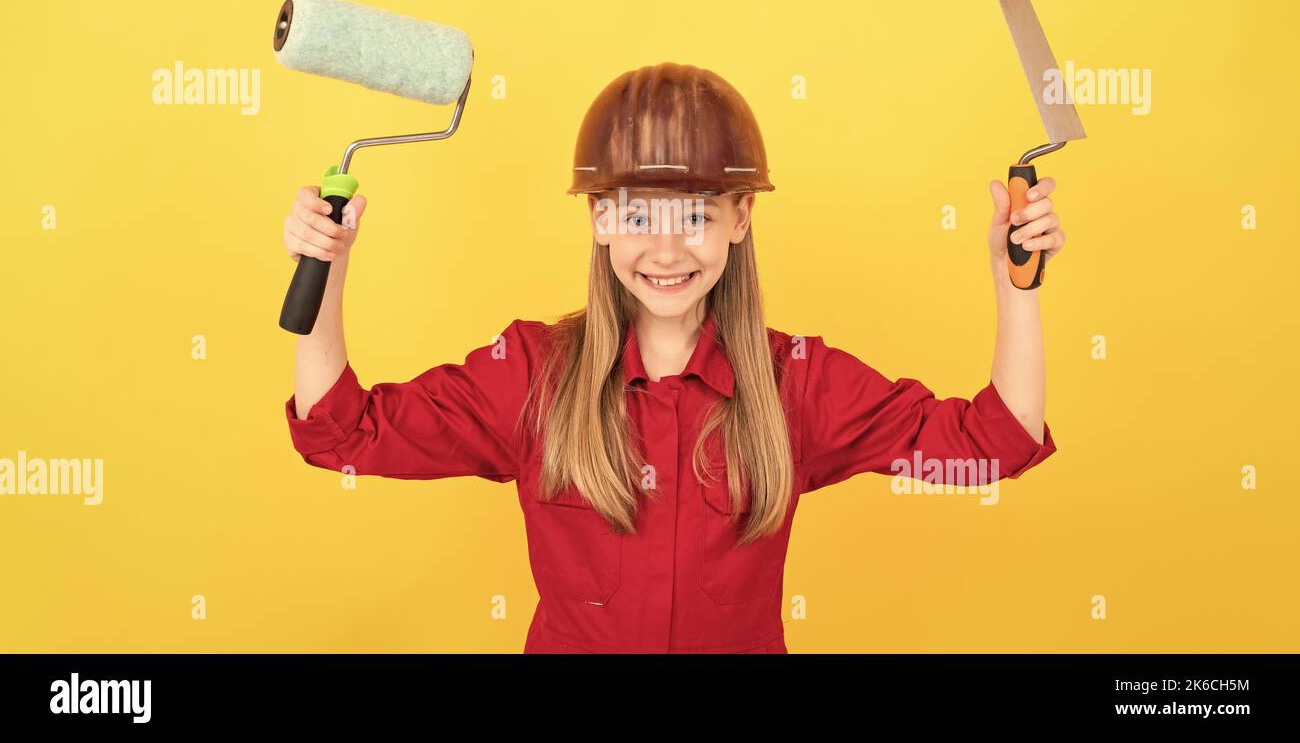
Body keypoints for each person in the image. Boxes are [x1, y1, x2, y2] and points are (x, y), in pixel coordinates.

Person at [281, 62, 1059, 653]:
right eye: (636, 215)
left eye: (694, 214)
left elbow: (995, 446)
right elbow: (342, 433)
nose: (664, 249)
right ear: (599, 219)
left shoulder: (798, 383)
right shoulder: (529, 374)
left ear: (741, 217)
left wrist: (1013, 287)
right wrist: (330, 263)